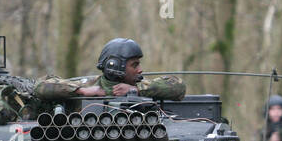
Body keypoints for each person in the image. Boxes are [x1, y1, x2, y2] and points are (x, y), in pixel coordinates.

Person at [32, 38, 186, 102]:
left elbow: (179, 87)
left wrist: (136, 91)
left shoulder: (141, 87)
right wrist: (81, 91)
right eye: (135, 65)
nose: (140, 70)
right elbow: (40, 86)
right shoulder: (89, 86)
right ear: (115, 66)